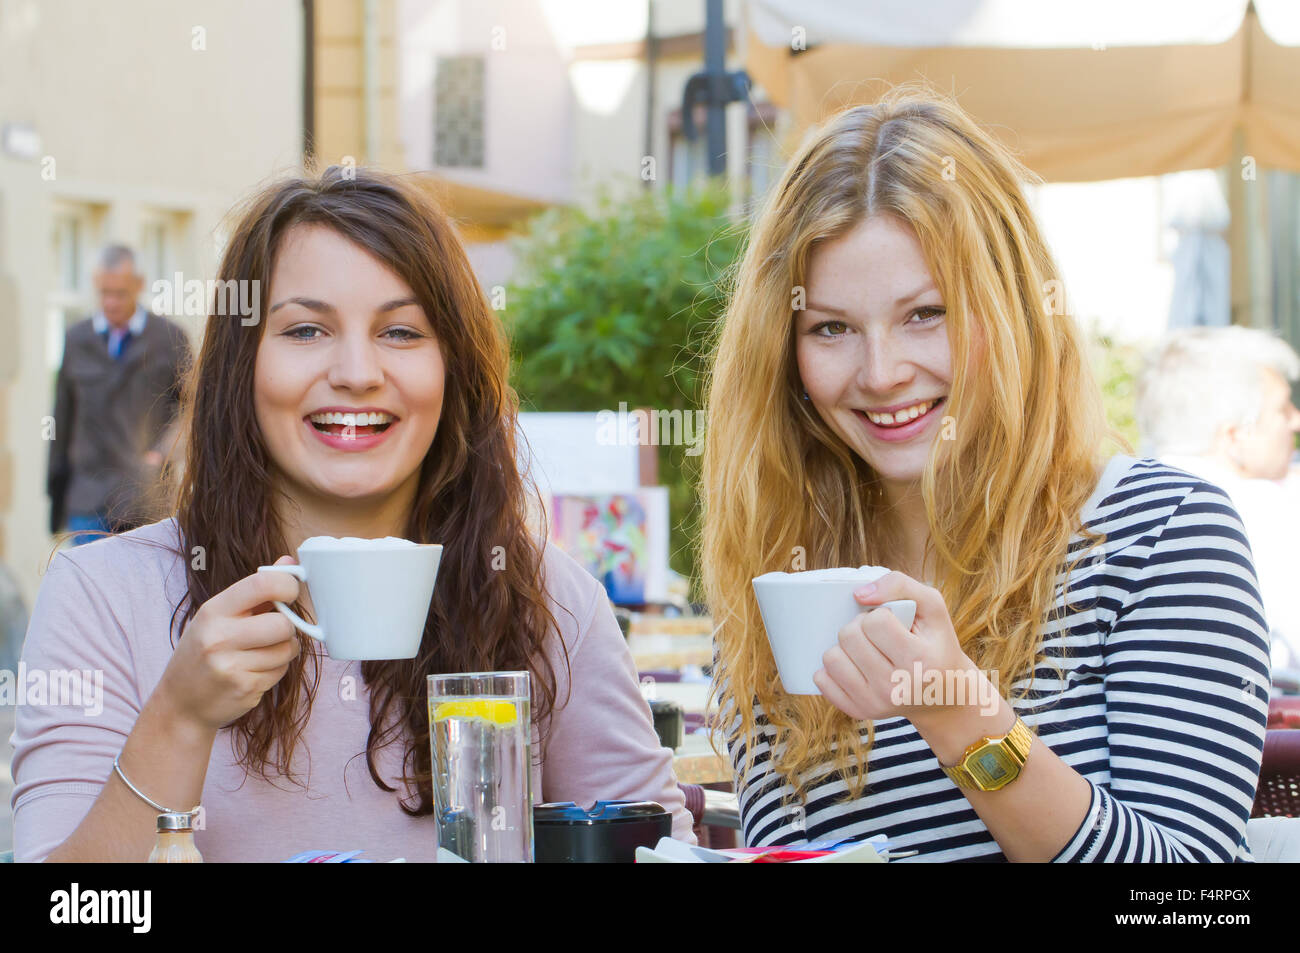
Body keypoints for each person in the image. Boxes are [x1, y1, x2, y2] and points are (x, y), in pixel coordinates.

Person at [12, 166, 693, 862]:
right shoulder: (102, 595)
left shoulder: (548, 600)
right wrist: (180, 717)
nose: (357, 371)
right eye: (306, 330)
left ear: (454, 368)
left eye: (401, 332)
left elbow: (661, 852)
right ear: (240, 365)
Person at [700, 84, 1271, 862]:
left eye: (924, 314)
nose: (882, 372)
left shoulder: (1159, 536)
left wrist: (958, 711)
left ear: (1013, 311)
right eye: (831, 327)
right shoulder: (781, 581)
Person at [1136, 325, 1300, 676]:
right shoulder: (1257, 505)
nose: (1295, 421)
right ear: (1235, 434)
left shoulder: (1129, 499)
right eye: (1282, 410)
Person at [47, 244, 191, 544]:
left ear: (139, 286)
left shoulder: (169, 338)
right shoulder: (76, 339)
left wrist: (161, 453)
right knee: (88, 589)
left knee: (143, 590)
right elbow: (61, 418)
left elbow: (192, 410)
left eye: (120, 293)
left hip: (146, 502)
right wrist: (56, 496)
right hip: (87, 502)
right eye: (103, 293)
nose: (110, 303)